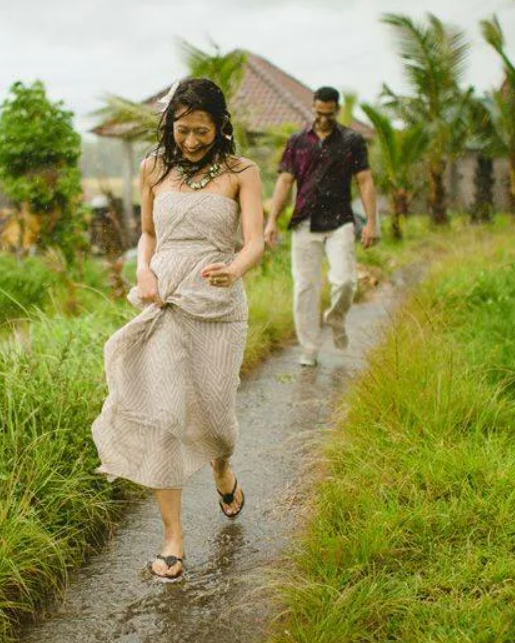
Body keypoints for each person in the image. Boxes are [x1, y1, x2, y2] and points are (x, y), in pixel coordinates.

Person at [91, 77, 265, 582]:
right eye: (183, 130)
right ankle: (172, 540)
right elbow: (147, 233)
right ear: (170, 125)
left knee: (215, 418)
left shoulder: (242, 172)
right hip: (165, 297)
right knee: (166, 416)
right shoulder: (152, 168)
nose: (190, 141)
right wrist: (143, 271)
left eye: (202, 132)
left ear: (220, 128)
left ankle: (221, 468)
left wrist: (234, 268)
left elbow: (254, 241)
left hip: (217, 304)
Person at [263, 86, 378, 368]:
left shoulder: (352, 140)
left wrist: (372, 223)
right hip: (304, 222)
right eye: (318, 113)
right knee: (305, 287)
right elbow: (285, 181)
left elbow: (364, 180)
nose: (323, 118)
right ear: (312, 108)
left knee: (346, 281)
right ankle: (309, 348)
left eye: (329, 113)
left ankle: (335, 317)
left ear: (336, 110)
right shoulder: (297, 141)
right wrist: (271, 221)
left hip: (340, 221)